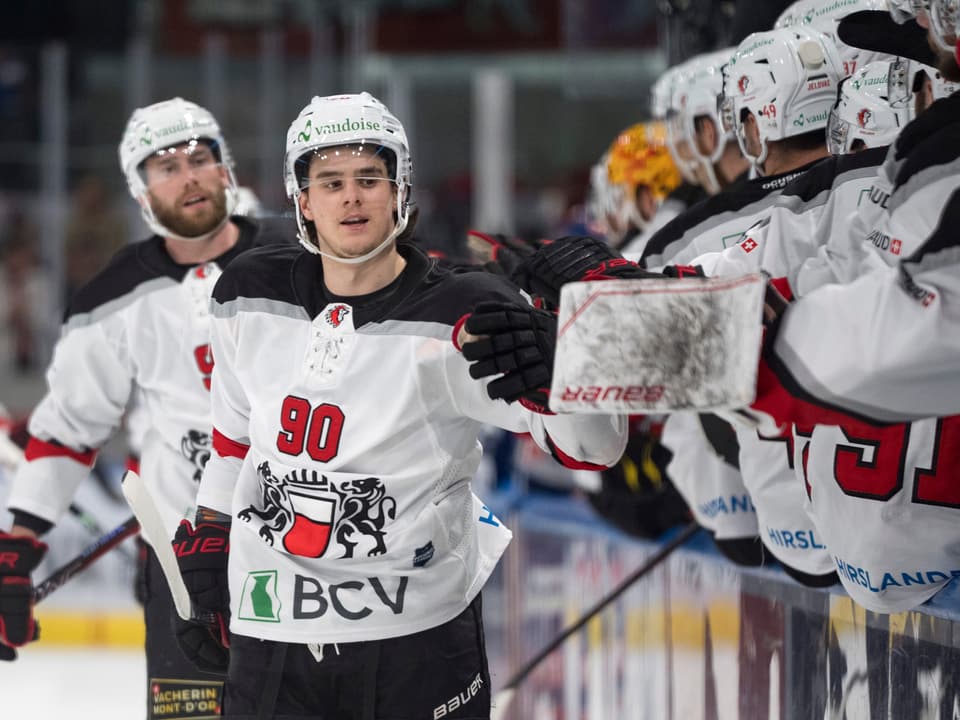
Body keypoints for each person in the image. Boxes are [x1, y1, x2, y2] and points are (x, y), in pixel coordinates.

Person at [177, 91, 627, 719]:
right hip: (273, 634)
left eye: (369, 177)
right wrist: (212, 531)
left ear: (400, 191)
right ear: (302, 198)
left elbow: (595, 448)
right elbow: (232, 440)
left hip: (418, 641)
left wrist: (580, 356)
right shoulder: (248, 296)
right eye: (330, 181)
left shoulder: (468, 312)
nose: (351, 197)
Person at [0, 97, 293, 718]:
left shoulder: (304, 260)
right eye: (163, 167)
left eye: (199, 157)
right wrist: (16, 547)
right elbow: (69, 430)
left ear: (226, 170)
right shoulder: (111, 299)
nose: (186, 175)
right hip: (186, 562)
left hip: (303, 548)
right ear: (140, 193)